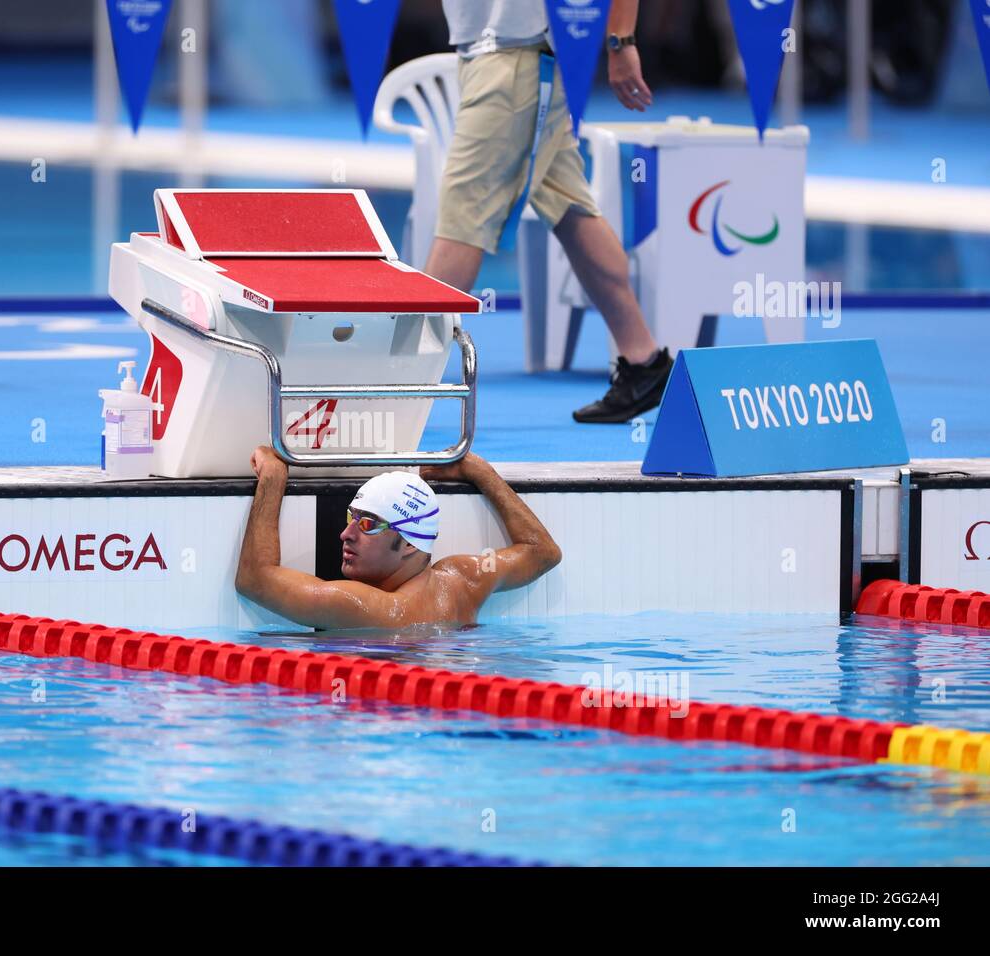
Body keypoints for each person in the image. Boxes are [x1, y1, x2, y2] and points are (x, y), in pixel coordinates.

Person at [428, 0, 673, 423]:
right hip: (493, 53)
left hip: (515, 58)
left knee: (463, 215)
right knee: (568, 205)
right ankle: (643, 361)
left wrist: (621, 41)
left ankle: (402, 378)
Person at [235, 447, 561, 629]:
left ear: (408, 543)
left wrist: (274, 476)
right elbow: (542, 551)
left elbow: (254, 579)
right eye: (352, 518)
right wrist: (478, 470)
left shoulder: (365, 607)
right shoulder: (465, 579)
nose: (345, 534)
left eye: (367, 526)